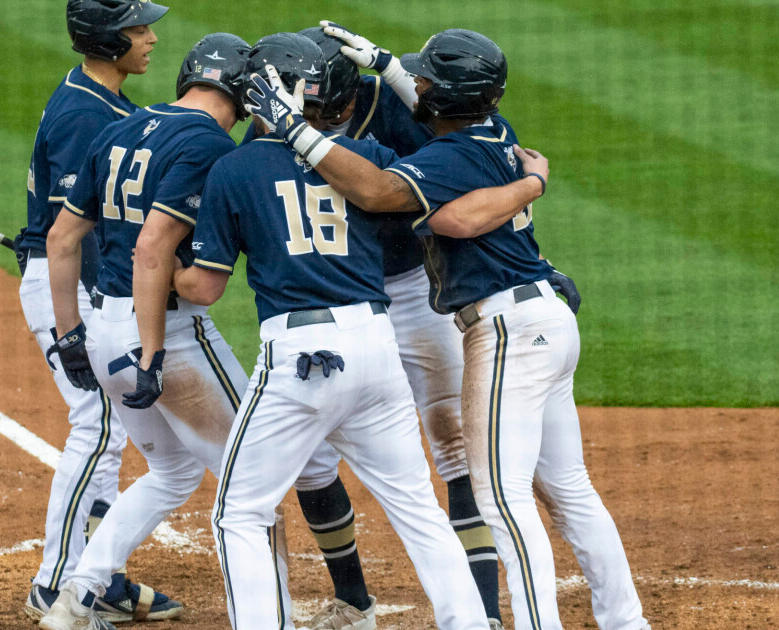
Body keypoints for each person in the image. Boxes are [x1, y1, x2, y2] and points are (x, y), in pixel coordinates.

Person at [245, 28, 649, 630]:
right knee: (569, 489)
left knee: (505, 502)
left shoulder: (445, 159)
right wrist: (386, 64)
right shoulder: (497, 133)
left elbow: (390, 195)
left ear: (446, 95)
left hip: (507, 332)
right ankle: (625, 622)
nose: (416, 84)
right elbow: (446, 148)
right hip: (545, 317)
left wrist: (292, 127)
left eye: (424, 77)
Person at [175, 32, 489, 630]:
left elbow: (204, 288)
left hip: (300, 358)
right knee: (419, 508)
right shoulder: (369, 160)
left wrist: (155, 262)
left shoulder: (233, 169)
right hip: (377, 348)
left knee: (239, 512)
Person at [40, 33, 352, 630]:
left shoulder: (119, 129)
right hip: (166, 338)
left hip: (102, 330)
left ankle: (77, 597)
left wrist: (70, 334)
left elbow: (61, 239)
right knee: (254, 490)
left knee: (173, 473)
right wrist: (154, 353)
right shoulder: (210, 147)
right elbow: (153, 252)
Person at [15, 0, 175, 622]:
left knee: (114, 430)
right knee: (99, 426)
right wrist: (71, 327)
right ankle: (55, 582)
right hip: (70, 287)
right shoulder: (86, 114)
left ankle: (98, 574)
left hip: (84, 284)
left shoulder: (98, 100)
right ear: (109, 39)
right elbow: (66, 234)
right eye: (138, 29)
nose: (152, 38)